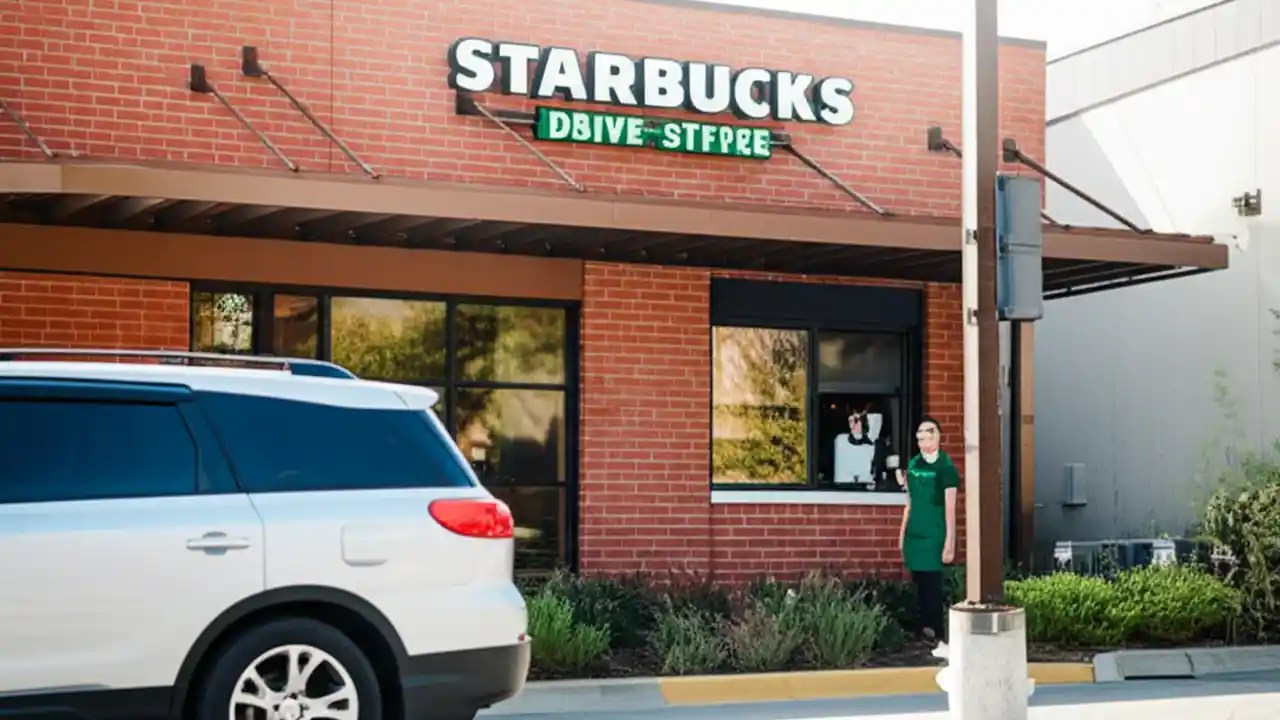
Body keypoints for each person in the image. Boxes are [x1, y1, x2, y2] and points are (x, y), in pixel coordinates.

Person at [896, 416, 959, 650]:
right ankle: (921, 628)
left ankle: (933, 630)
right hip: (915, 532)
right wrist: (902, 534)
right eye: (919, 435)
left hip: (935, 534)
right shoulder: (913, 465)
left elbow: (950, 510)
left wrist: (949, 542)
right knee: (918, 582)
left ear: (937, 437)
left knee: (932, 582)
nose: (922, 439)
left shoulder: (946, 468)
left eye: (927, 434)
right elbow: (909, 502)